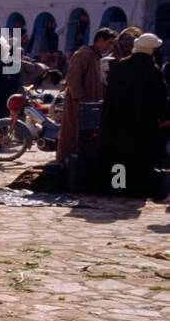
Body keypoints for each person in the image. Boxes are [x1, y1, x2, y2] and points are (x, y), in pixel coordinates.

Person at [98, 33, 167, 199]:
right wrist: (163, 117)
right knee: (140, 158)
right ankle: (137, 189)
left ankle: (118, 186)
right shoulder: (153, 72)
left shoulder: (121, 66)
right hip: (143, 124)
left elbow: (110, 95)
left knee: (119, 156)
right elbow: (160, 99)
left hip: (117, 122)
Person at [56, 27, 115, 162]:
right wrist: (81, 99)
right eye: (109, 42)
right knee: (73, 135)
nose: (109, 46)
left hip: (90, 106)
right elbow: (73, 79)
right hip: (79, 105)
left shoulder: (96, 56)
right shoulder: (84, 54)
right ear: (100, 40)